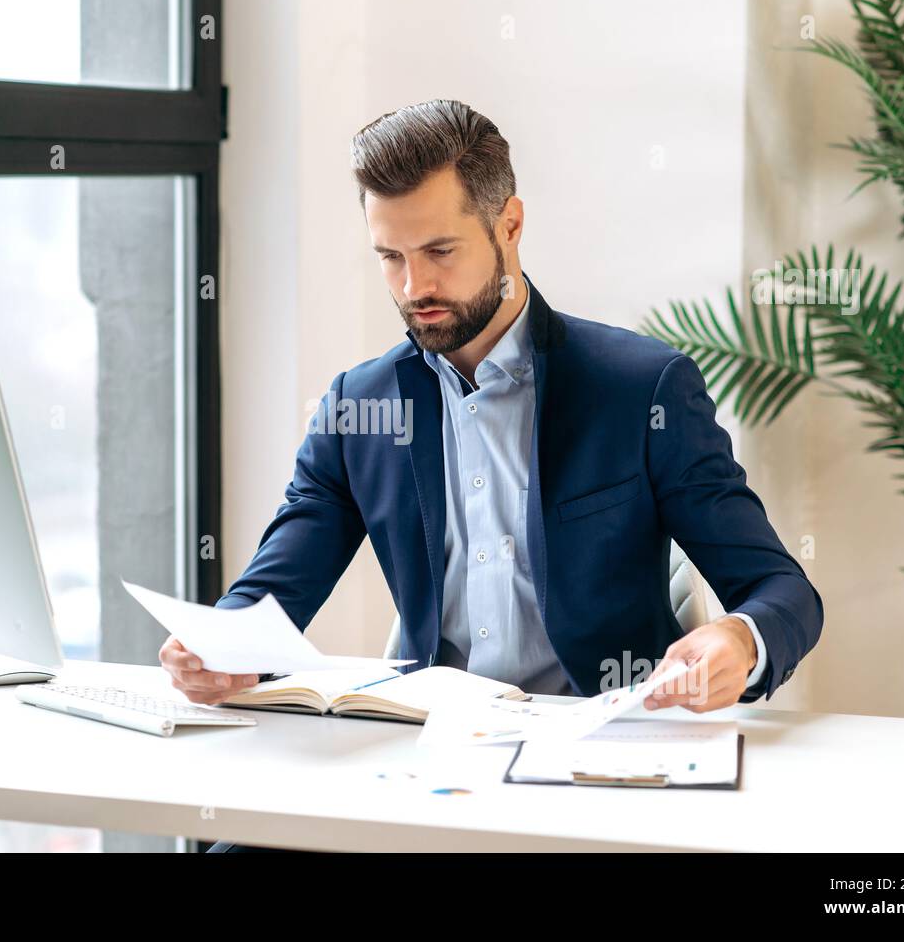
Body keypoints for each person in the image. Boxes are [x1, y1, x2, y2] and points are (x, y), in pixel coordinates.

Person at [160, 99, 824, 854]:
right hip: (422, 771)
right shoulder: (358, 407)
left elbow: (783, 591)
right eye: (390, 257)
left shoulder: (640, 389)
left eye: (440, 251)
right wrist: (218, 649)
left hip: (598, 776)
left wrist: (739, 640)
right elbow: (275, 590)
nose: (414, 287)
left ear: (509, 224)